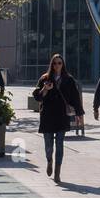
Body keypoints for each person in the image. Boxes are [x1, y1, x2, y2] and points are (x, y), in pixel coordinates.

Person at [36, 54, 83, 185]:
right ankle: (49, 160)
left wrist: (79, 114)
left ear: (63, 65)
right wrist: (45, 89)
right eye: (55, 63)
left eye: (59, 63)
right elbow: (37, 97)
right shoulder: (45, 78)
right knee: (48, 144)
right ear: (52, 64)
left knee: (60, 144)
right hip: (48, 115)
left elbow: (75, 98)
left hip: (62, 116)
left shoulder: (68, 79)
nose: (57, 65)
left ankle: (57, 172)